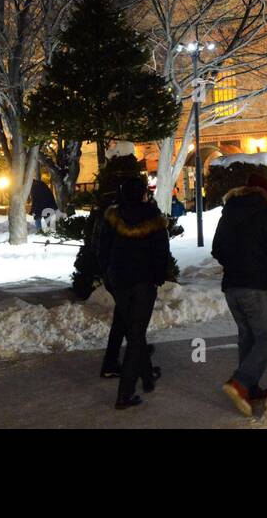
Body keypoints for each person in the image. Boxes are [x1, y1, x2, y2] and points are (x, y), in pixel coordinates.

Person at [210, 173, 267, 417]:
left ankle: (250, 389)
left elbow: (217, 248)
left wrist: (234, 265)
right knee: (266, 338)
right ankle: (241, 382)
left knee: (248, 337)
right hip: (255, 285)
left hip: (232, 285)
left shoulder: (230, 210)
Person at [97, 174, 170, 409]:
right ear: (142, 193)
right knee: (136, 334)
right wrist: (159, 277)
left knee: (134, 330)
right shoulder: (154, 218)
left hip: (120, 281)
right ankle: (125, 394)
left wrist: (107, 275)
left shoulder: (113, 217)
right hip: (143, 283)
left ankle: (147, 378)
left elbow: (102, 250)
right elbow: (161, 253)